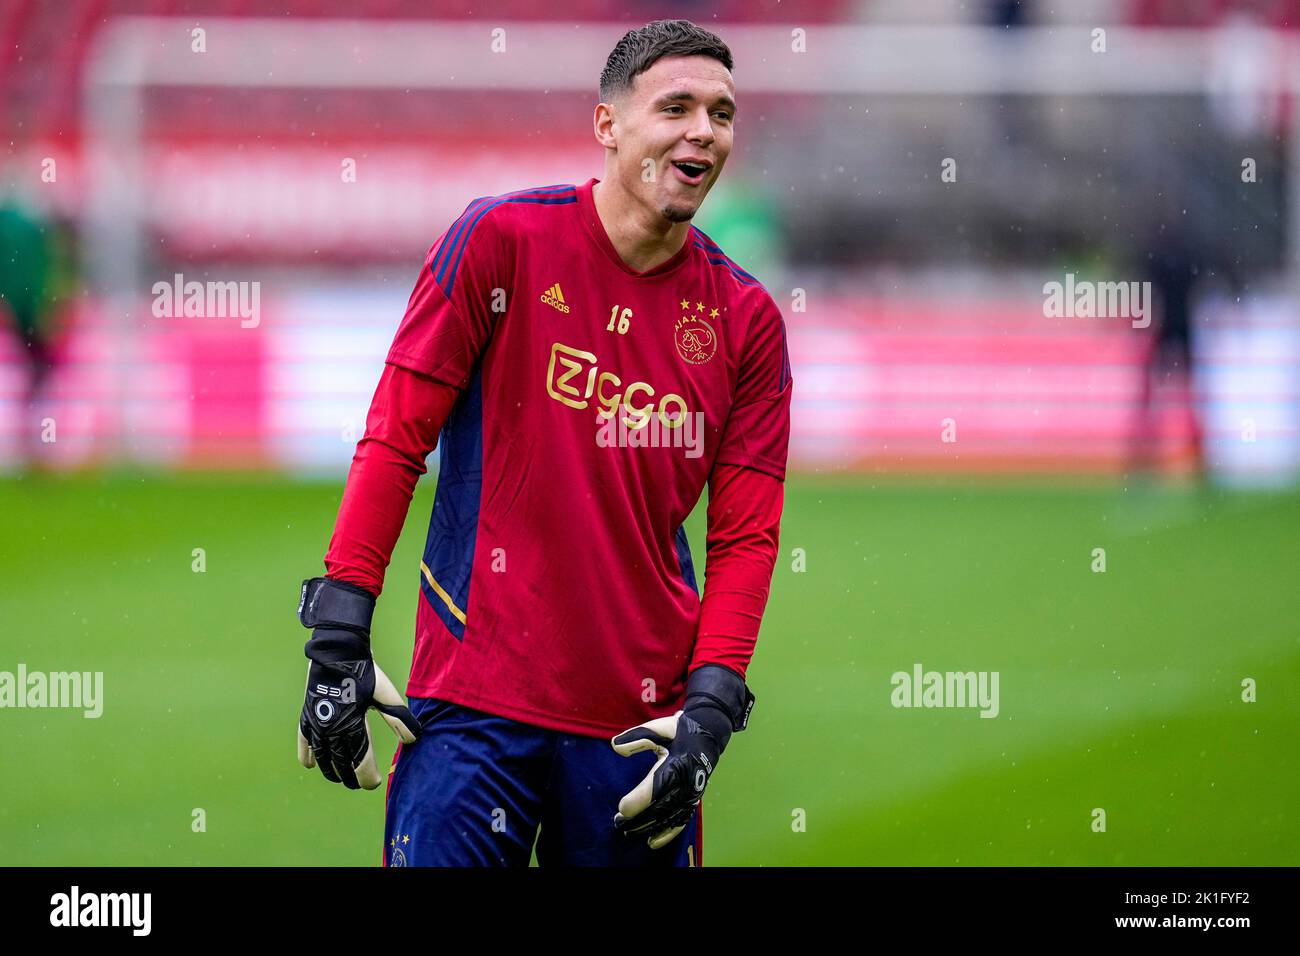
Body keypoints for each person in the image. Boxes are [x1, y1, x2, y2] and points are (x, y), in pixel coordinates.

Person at [295, 19, 793, 867]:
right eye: (676, 106)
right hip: (471, 708)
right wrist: (338, 632)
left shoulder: (745, 319)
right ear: (608, 126)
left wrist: (711, 705)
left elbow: (744, 533)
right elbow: (393, 439)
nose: (703, 131)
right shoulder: (503, 244)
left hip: (640, 726)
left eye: (721, 112)